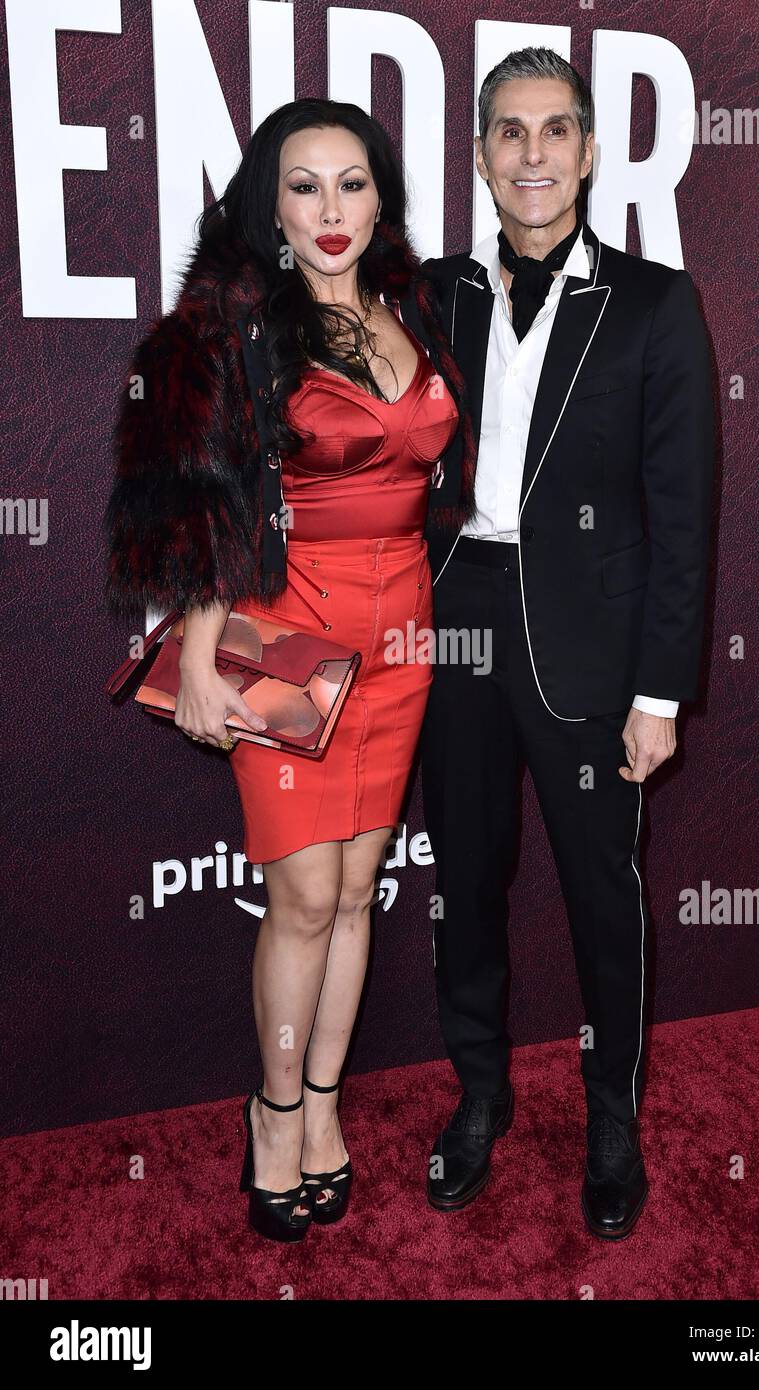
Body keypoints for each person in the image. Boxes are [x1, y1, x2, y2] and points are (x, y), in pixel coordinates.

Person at [103, 98, 475, 1242]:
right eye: (303, 185)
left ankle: (322, 1108)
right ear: (269, 199)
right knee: (303, 894)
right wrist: (203, 651)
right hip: (289, 627)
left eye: (351, 184)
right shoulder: (229, 329)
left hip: (403, 633)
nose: (330, 210)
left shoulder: (411, 300)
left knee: (358, 891)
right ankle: (273, 1112)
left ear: (381, 196)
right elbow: (204, 493)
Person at [419, 48, 715, 1238]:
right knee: (466, 886)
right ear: (481, 155)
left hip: (592, 644)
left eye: (555, 130)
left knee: (602, 893)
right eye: (508, 131)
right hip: (457, 628)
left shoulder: (655, 303)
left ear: (590, 153)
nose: (531, 153)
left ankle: (611, 1116)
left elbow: (682, 516)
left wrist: (660, 693)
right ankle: (479, 1095)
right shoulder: (430, 294)